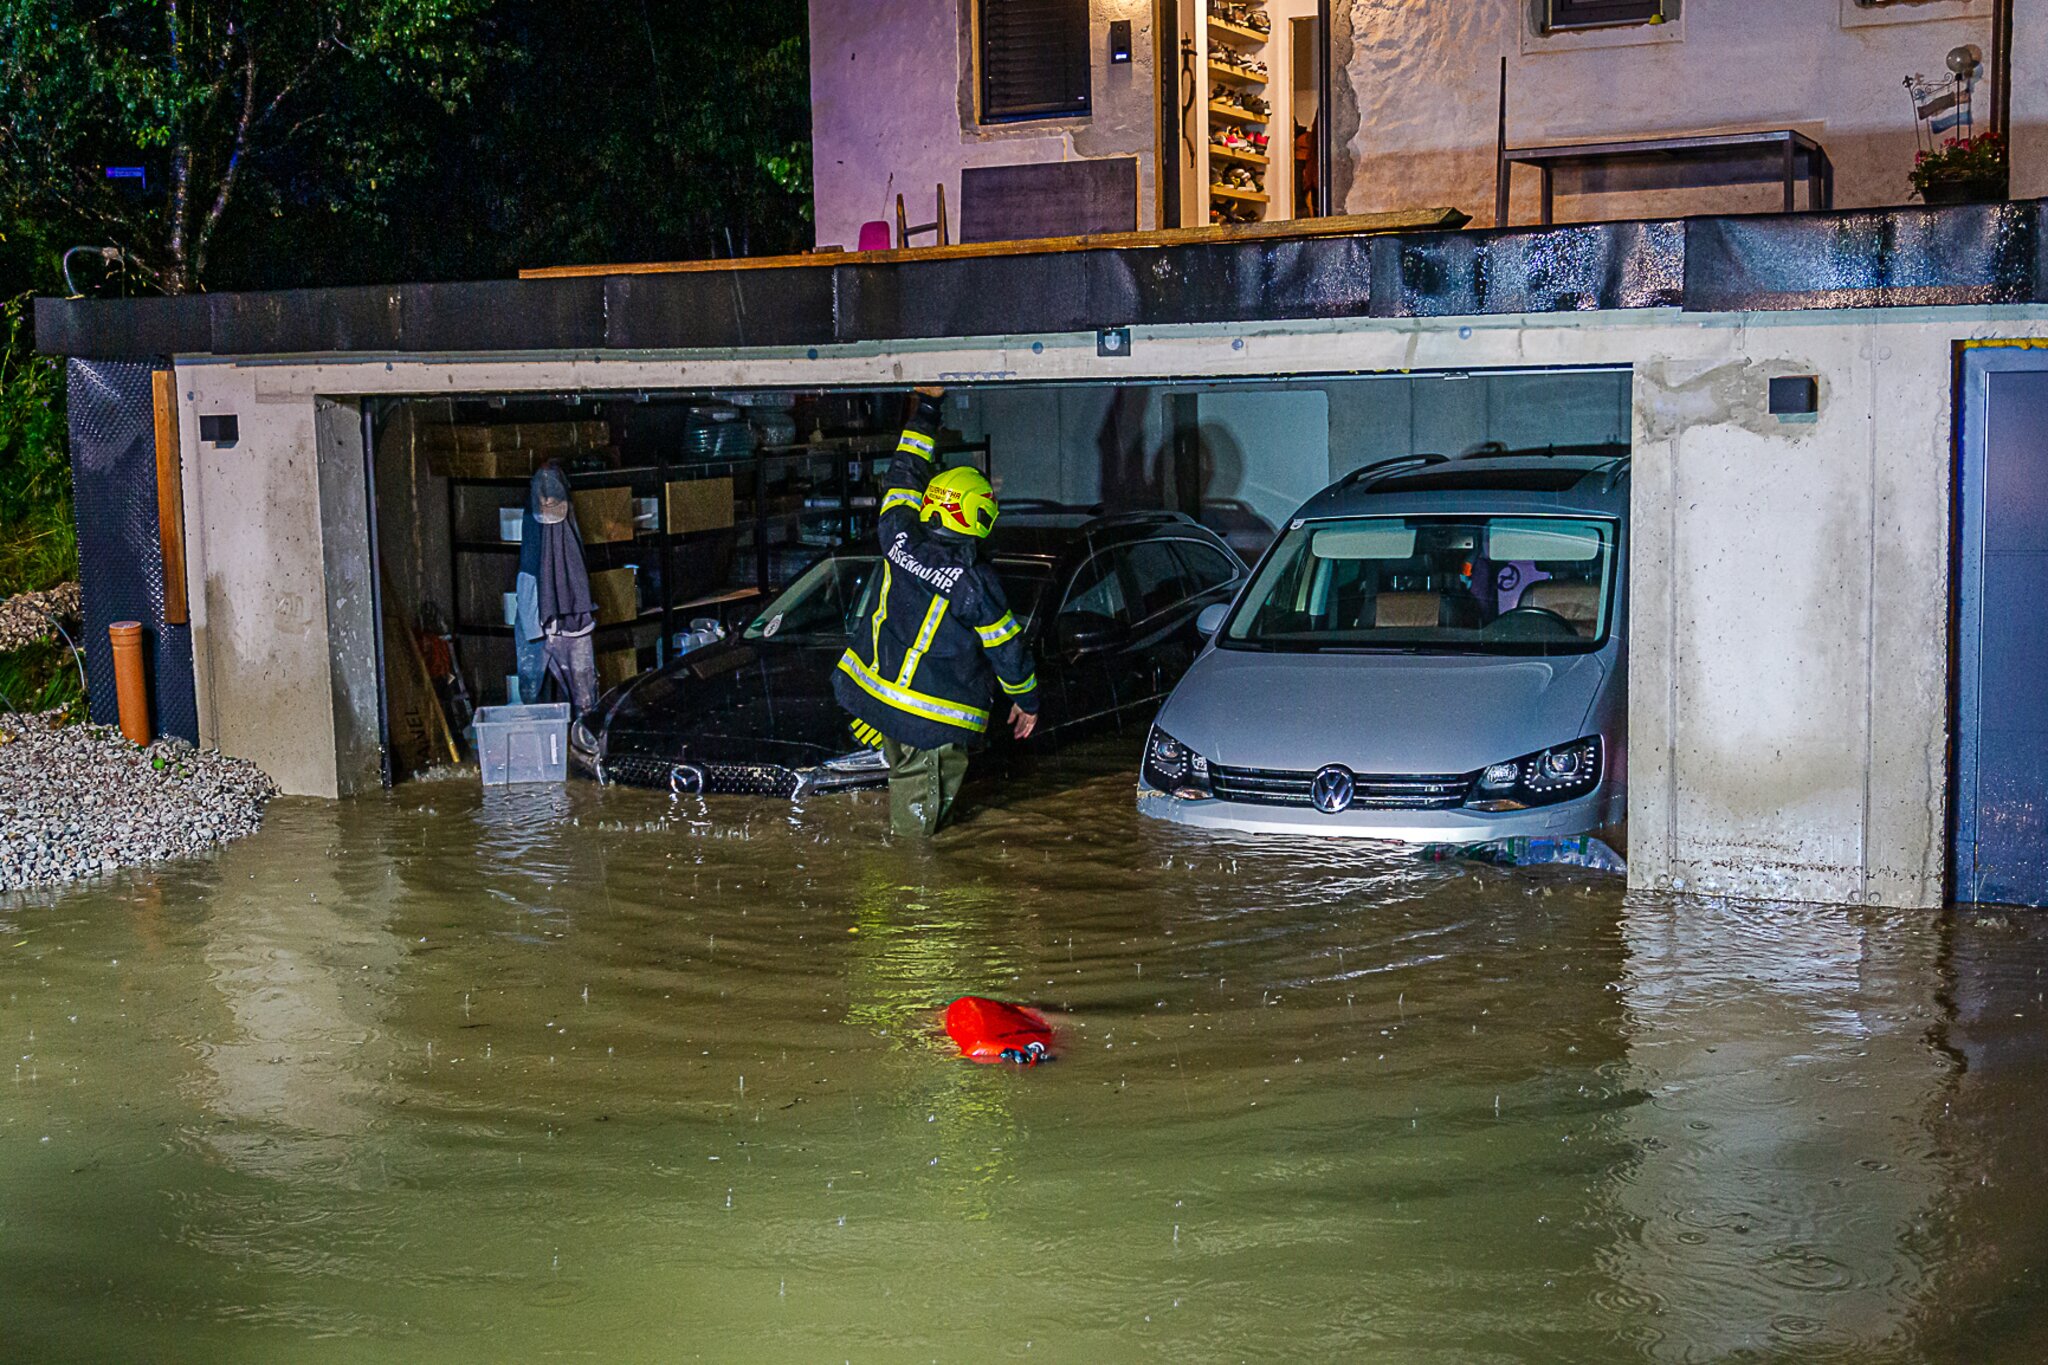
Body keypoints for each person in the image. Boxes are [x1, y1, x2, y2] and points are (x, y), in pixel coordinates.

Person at [833, 386, 1040, 837]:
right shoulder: (973, 583)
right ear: (978, 517)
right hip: (932, 724)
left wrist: (927, 407)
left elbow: (906, 469)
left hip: (879, 703)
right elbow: (1007, 650)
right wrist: (1026, 701)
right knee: (917, 844)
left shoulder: (896, 533)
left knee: (907, 812)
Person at [514, 462, 600, 714]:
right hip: (542, 624)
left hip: (572, 622)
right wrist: (534, 626)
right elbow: (530, 575)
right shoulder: (533, 525)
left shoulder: (566, 527)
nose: (547, 500)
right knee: (538, 702)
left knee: (583, 701)